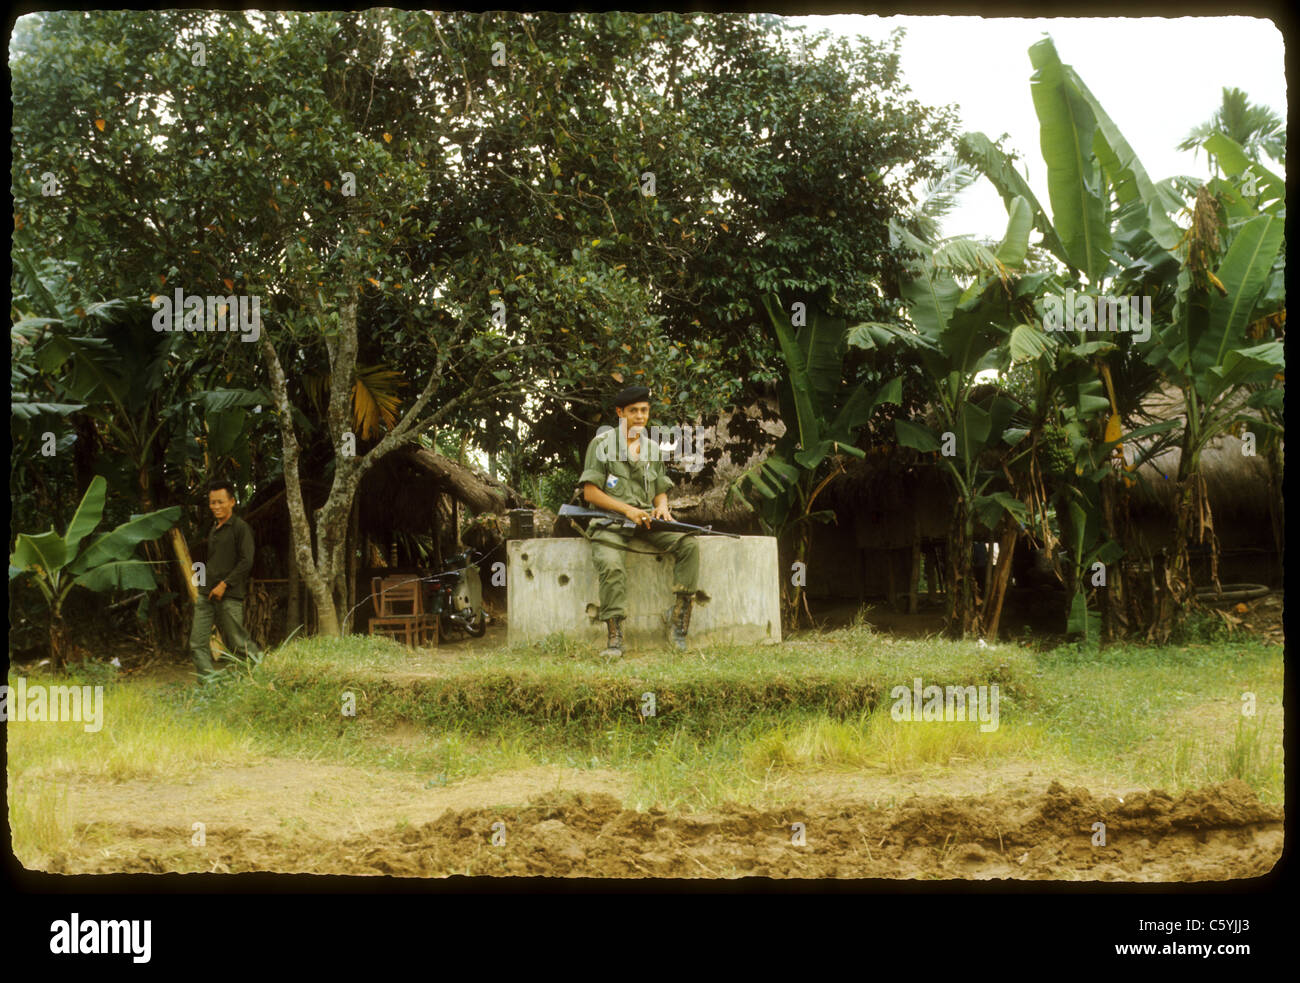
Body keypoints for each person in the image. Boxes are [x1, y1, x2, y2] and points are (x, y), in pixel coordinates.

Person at [577, 384, 701, 657]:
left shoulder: (652, 448)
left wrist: (663, 507)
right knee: (611, 566)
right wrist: (626, 510)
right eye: (633, 411)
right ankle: (615, 635)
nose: (640, 416)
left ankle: (678, 618)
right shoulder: (601, 445)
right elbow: (590, 492)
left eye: (644, 410)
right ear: (620, 412)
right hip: (609, 522)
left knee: (689, 545)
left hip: (646, 521)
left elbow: (660, 490)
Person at [188, 480, 262, 679]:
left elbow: (247, 561)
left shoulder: (240, 528)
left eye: (220, 502)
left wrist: (224, 584)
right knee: (197, 643)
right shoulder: (214, 529)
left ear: (232, 502)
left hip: (229, 595)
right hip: (206, 594)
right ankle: (209, 684)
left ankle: (262, 673)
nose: (216, 507)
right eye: (212, 503)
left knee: (238, 641)